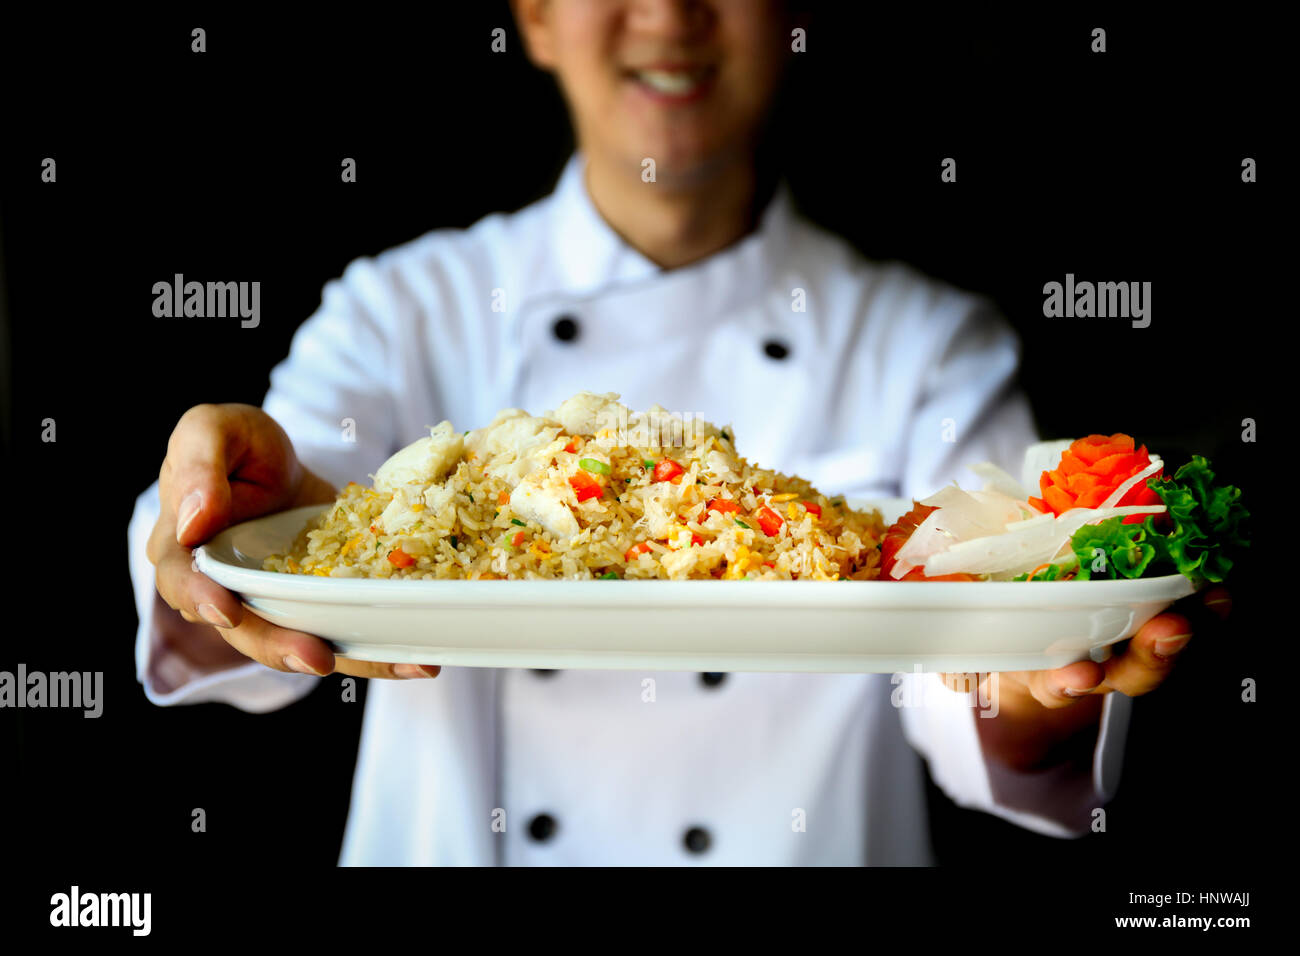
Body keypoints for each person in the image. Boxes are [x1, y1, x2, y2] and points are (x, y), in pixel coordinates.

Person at [127, 0, 1226, 865]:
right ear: (538, 14)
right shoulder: (401, 305)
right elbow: (276, 529)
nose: (667, 10)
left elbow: (967, 678)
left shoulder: (928, 341)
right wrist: (217, 517)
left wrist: (1032, 684)